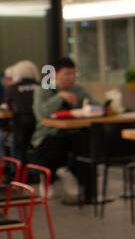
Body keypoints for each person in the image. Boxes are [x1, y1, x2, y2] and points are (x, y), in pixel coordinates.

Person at [28, 57, 94, 200]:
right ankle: (55, 174)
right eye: (67, 74)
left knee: (87, 144)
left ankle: (87, 189)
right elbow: (42, 114)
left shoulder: (77, 90)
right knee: (56, 145)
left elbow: (93, 105)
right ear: (55, 75)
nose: (71, 77)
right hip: (47, 135)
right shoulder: (44, 89)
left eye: (73, 74)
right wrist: (60, 97)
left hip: (74, 132)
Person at [4, 60, 41, 164]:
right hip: (39, 123)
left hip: (21, 124)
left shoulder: (14, 87)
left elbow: (9, 105)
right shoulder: (40, 86)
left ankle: (18, 171)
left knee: (19, 146)